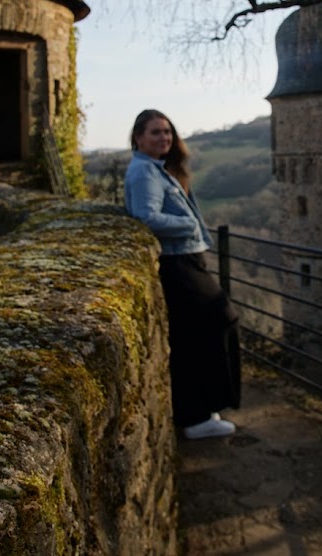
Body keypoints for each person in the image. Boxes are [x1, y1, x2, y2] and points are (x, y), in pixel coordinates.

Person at [124, 109, 241, 439]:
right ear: (138, 138)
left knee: (193, 337)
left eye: (167, 132)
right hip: (178, 264)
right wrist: (188, 224)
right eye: (155, 133)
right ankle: (197, 416)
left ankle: (199, 413)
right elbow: (146, 217)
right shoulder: (144, 172)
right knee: (221, 320)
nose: (164, 138)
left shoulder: (155, 169)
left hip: (186, 261)